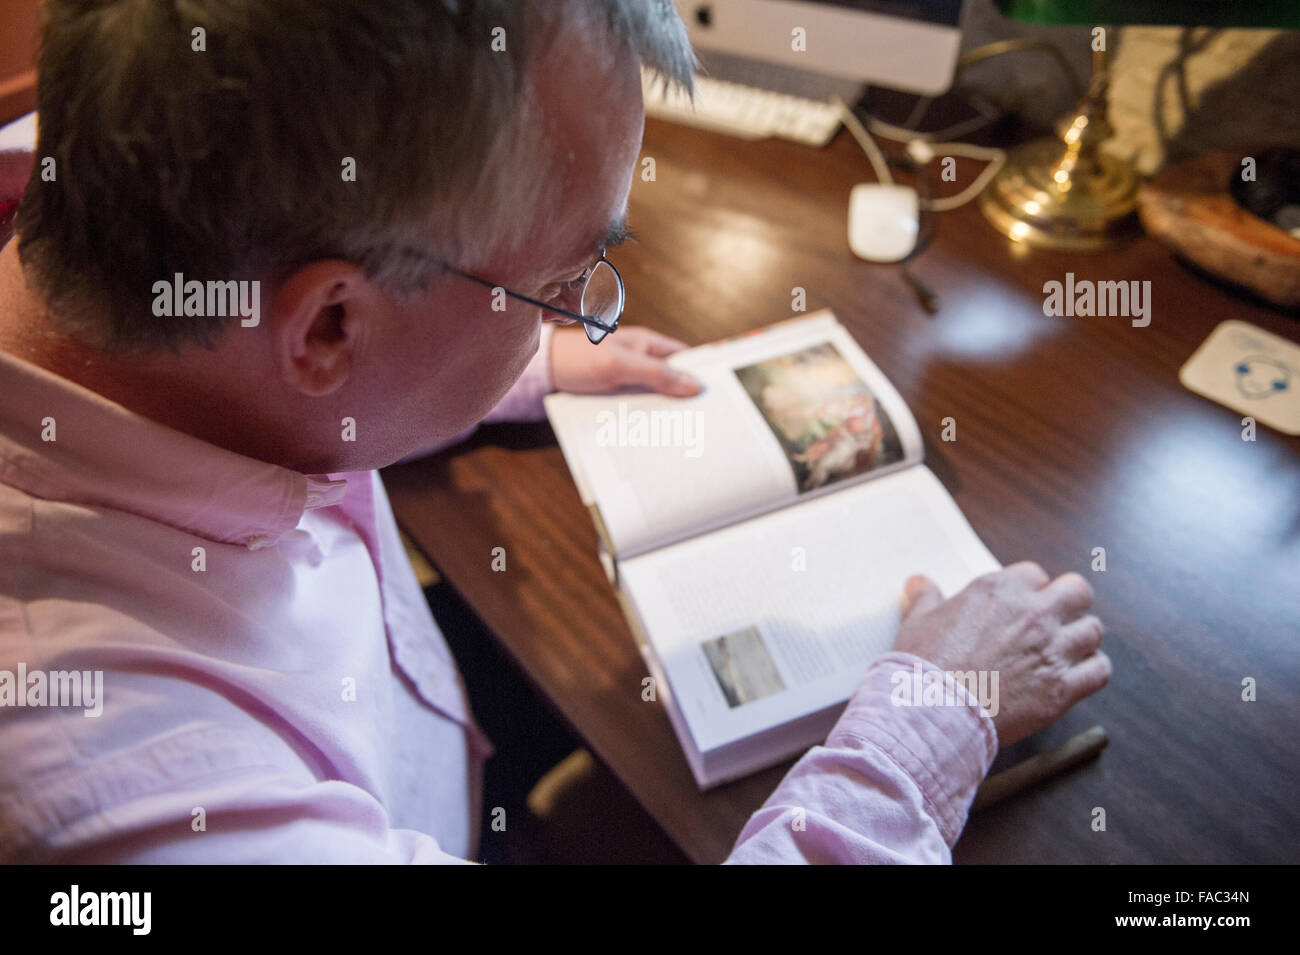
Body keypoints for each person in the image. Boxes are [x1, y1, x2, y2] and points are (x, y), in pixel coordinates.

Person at [0, 0, 1109, 864]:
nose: (583, 307)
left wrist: (506, 351)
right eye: (568, 280)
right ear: (331, 323)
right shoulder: (128, 794)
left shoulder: (132, 174)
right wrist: (929, 727)